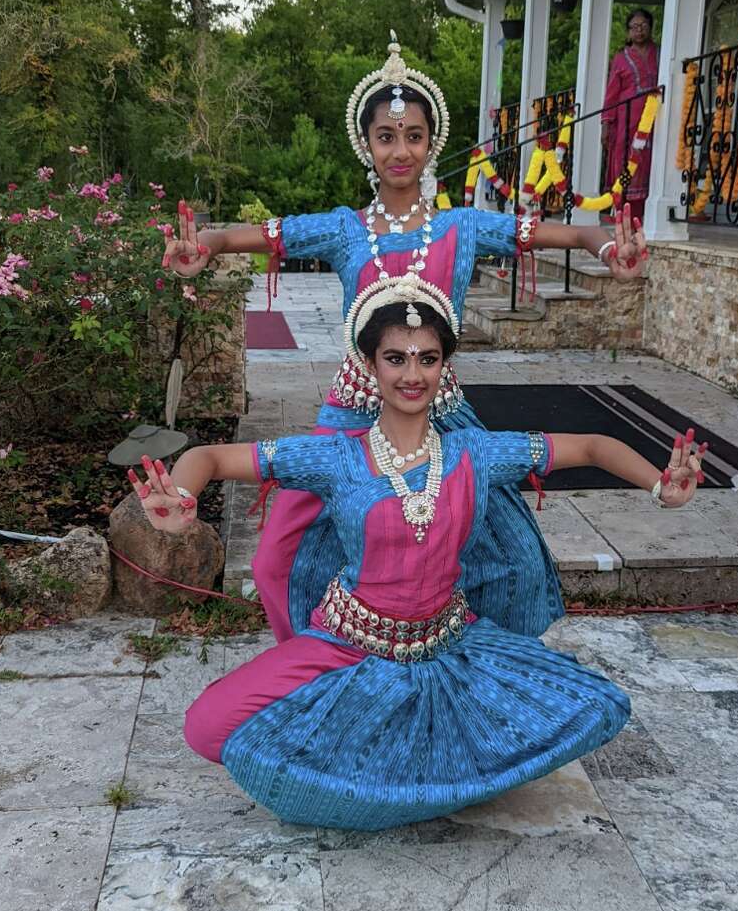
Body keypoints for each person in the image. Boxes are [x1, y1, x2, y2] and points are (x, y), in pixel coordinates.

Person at [128, 277, 705, 831]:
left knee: (593, 706)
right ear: (369, 365)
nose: (412, 374)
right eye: (396, 358)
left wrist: (660, 485)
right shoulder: (336, 457)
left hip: (448, 642)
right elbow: (210, 456)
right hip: (347, 642)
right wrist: (182, 497)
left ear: (444, 368)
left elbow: (592, 445)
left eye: (427, 359)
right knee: (208, 728)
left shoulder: (477, 452)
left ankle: (417, 786)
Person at [159, 33, 651, 644]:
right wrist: (201, 246)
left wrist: (604, 244)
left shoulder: (462, 227)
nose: (400, 150)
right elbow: (245, 237)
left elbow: (566, 236)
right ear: (366, 144)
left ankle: (460, 675)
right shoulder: (343, 229)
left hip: (439, 415)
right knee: (277, 560)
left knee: (504, 561)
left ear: (432, 142)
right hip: (351, 414)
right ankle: (327, 670)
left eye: (413, 136)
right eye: (386, 137)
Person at [602, 9, 661, 214]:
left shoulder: (660, 53)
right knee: (626, 159)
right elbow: (611, 93)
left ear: (650, 28)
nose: (639, 30)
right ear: (628, 32)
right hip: (625, 119)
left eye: (643, 26)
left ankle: (644, 211)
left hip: (655, 116)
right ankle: (623, 210)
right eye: (634, 27)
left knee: (649, 157)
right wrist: (606, 124)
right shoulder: (620, 58)